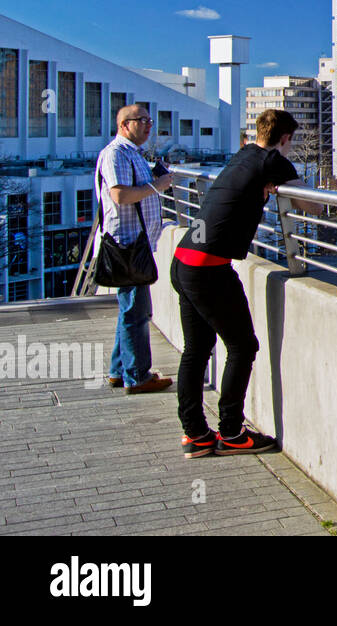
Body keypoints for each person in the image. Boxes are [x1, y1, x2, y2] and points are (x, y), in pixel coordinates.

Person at [171, 110, 323, 458]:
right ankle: (232, 432)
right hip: (209, 269)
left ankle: (195, 434)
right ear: (285, 139)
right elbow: (311, 205)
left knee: (196, 351)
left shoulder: (244, 155)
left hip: (184, 259)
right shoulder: (274, 161)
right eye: (291, 140)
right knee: (243, 347)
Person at [96, 104, 173, 394]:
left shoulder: (132, 154)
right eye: (142, 120)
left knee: (130, 308)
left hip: (136, 241)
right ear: (124, 124)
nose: (148, 125)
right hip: (126, 242)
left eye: (149, 120)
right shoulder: (116, 154)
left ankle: (119, 371)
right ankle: (138, 376)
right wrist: (157, 185)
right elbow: (120, 194)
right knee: (136, 313)